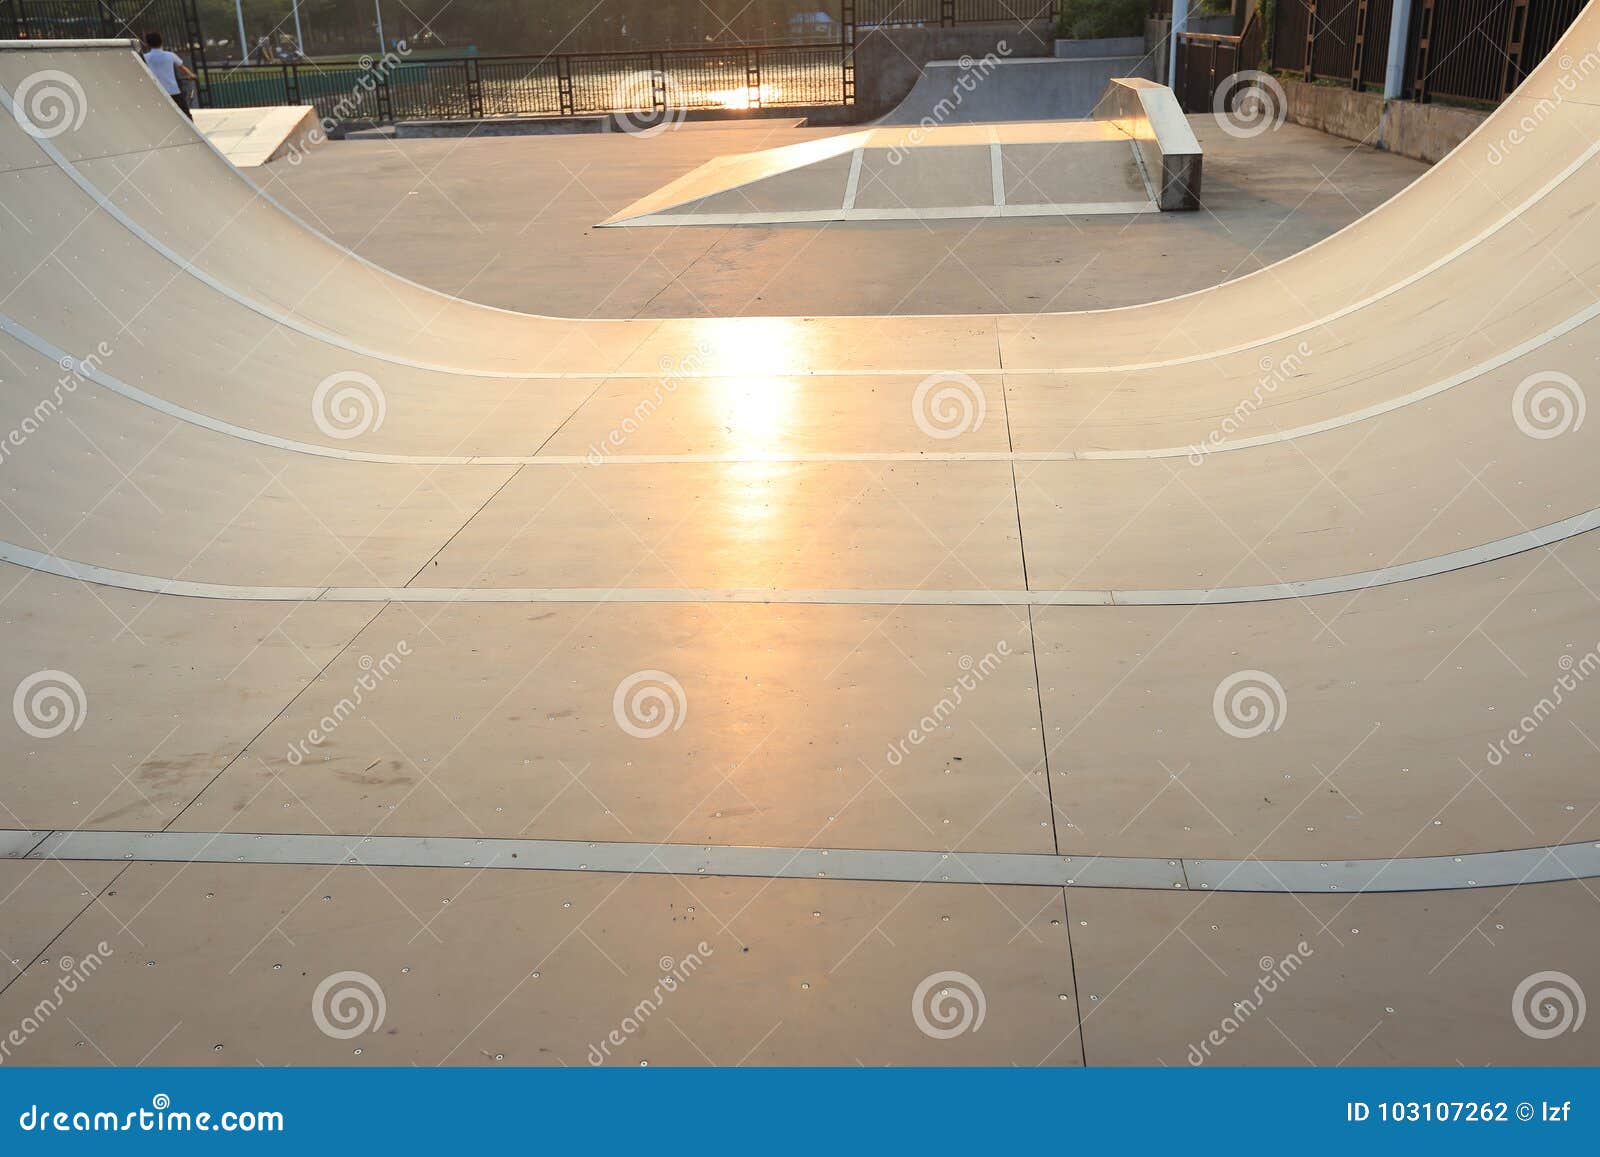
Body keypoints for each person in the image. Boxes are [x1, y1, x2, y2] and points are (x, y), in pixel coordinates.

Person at [141, 31, 195, 120]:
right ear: (161, 41)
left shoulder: (145, 57)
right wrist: (191, 75)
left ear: (147, 44)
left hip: (156, 91)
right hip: (173, 90)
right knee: (185, 114)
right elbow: (182, 67)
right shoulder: (170, 55)